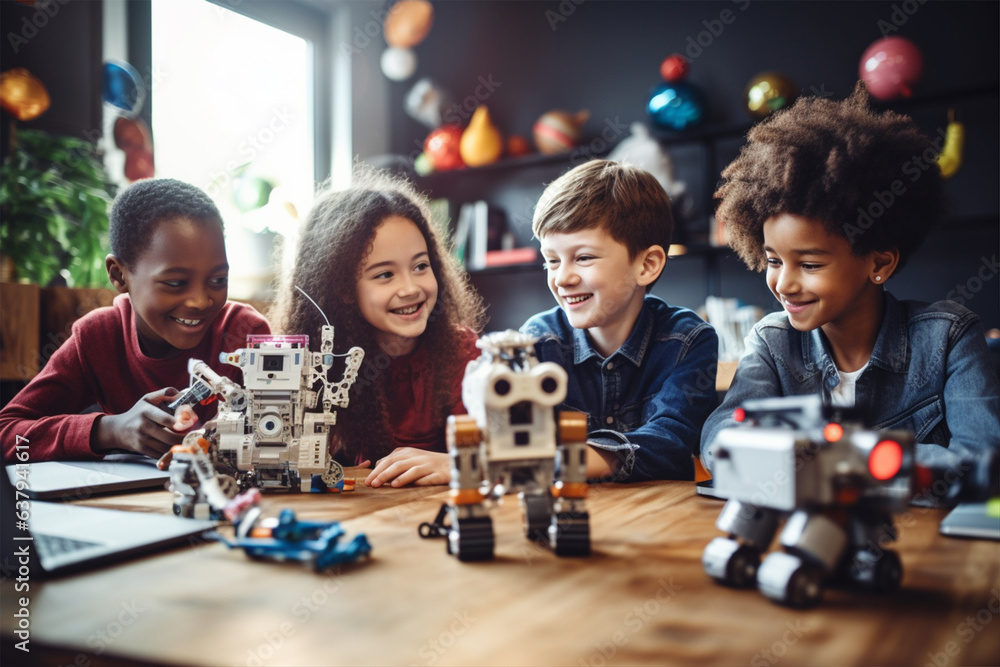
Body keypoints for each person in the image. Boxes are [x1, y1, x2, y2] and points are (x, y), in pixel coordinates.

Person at [701, 82, 1000, 486]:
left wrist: (833, 456)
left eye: (808, 264)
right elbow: (721, 444)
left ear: (879, 262)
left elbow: (981, 465)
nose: (784, 284)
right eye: (773, 260)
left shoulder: (947, 338)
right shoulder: (773, 343)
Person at [0, 178, 270, 463]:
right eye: (176, 282)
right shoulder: (98, 337)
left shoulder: (247, 334)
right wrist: (110, 430)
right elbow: (8, 433)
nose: (200, 301)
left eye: (218, 280)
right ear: (119, 275)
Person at [269, 167, 484, 488]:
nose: (410, 288)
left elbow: (499, 449)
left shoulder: (463, 353)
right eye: (385, 275)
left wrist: (457, 463)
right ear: (341, 288)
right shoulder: (308, 365)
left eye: (421, 266)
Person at [519, 159, 719, 482]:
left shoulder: (689, 340)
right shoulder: (538, 340)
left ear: (647, 265)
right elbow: (517, 439)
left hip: (658, 521)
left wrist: (546, 463)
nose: (562, 278)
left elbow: (670, 441)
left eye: (583, 258)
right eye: (552, 261)